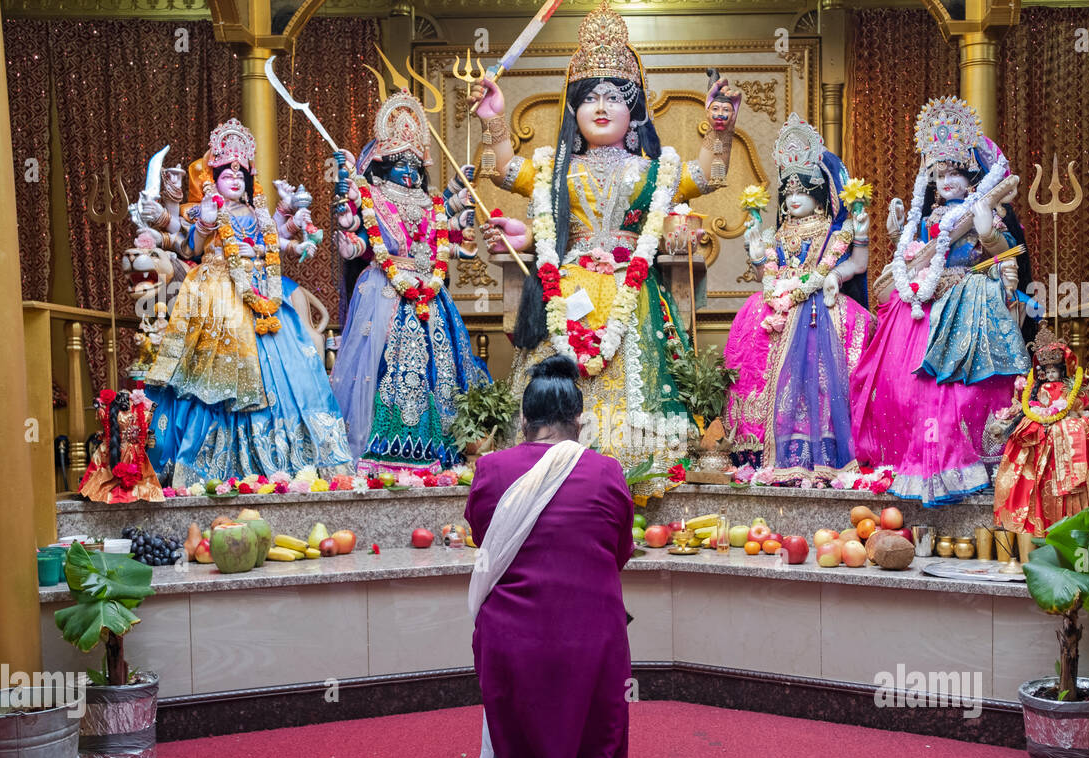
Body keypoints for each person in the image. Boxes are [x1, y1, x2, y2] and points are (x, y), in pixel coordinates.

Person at [468, 0, 742, 481]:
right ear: (573, 110)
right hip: (566, 285)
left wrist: (721, 129)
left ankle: (627, 471)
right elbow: (501, 170)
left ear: (633, 113)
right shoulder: (557, 169)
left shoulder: (656, 171)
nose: (600, 106)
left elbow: (712, 176)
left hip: (630, 292)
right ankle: (546, 465)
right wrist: (494, 118)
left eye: (614, 97)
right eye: (589, 97)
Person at [465, 356, 634, 758]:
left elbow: (485, 543)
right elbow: (619, 551)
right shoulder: (606, 472)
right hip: (592, 640)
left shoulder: (491, 470)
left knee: (518, 755)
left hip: (511, 642)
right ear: (579, 421)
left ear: (523, 418)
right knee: (590, 754)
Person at [141, 118, 351, 485]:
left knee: (298, 367)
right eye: (225, 174)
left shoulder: (257, 213)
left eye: (240, 174)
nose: (234, 180)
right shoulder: (204, 210)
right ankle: (217, 463)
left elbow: (274, 241)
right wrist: (201, 222)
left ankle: (295, 457)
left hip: (265, 291)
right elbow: (189, 247)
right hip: (219, 297)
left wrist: (296, 237)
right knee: (217, 380)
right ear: (214, 179)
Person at [850, 96, 1032, 504]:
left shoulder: (980, 209)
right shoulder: (932, 216)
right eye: (939, 173)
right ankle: (902, 459)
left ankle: (959, 461)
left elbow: (1003, 253)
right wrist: (900, 234)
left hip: (968, 294)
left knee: (951, 390)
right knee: (900, 384)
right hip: (922, 299)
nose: (946, 181)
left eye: (954, 172)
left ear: (971, 177)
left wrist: (987, 233)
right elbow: (916, 257)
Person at [330, 65, 491, 472]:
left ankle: (445, 447)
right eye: (399, 162)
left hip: (431, 293)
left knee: (443, 367)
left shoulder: (428, 200)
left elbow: (442, 242)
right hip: (385, 289)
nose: (408, 171)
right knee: (386, 366)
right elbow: (359, 241)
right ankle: (386, 450)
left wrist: (460, 216)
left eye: (415, 164)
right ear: (381, 164)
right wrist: (346, 216)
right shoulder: (372, 195)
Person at [724, 113, 873, 478]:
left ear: (821, 197)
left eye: (803, 191)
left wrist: (835, 273)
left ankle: (815, 453)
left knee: (821, 379)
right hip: (773, 302)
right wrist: (757, 253)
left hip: (821, 305)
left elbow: (857, 262)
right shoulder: (778, 233)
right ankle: (757, 455)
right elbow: (766, 275)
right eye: (788, 192)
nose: (794, 199)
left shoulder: (832, 229)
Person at [991, 326, 1089, 535]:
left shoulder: (1071, 386)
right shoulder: (1035, 388)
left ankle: (1074, 514)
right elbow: (1030, 404)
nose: (1050, 375)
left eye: (1053, 370)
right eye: (1046, 371)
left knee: (1075, 429)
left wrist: (1069, 409)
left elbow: (1079, 402)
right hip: (1037, 423)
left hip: (1064, 423)